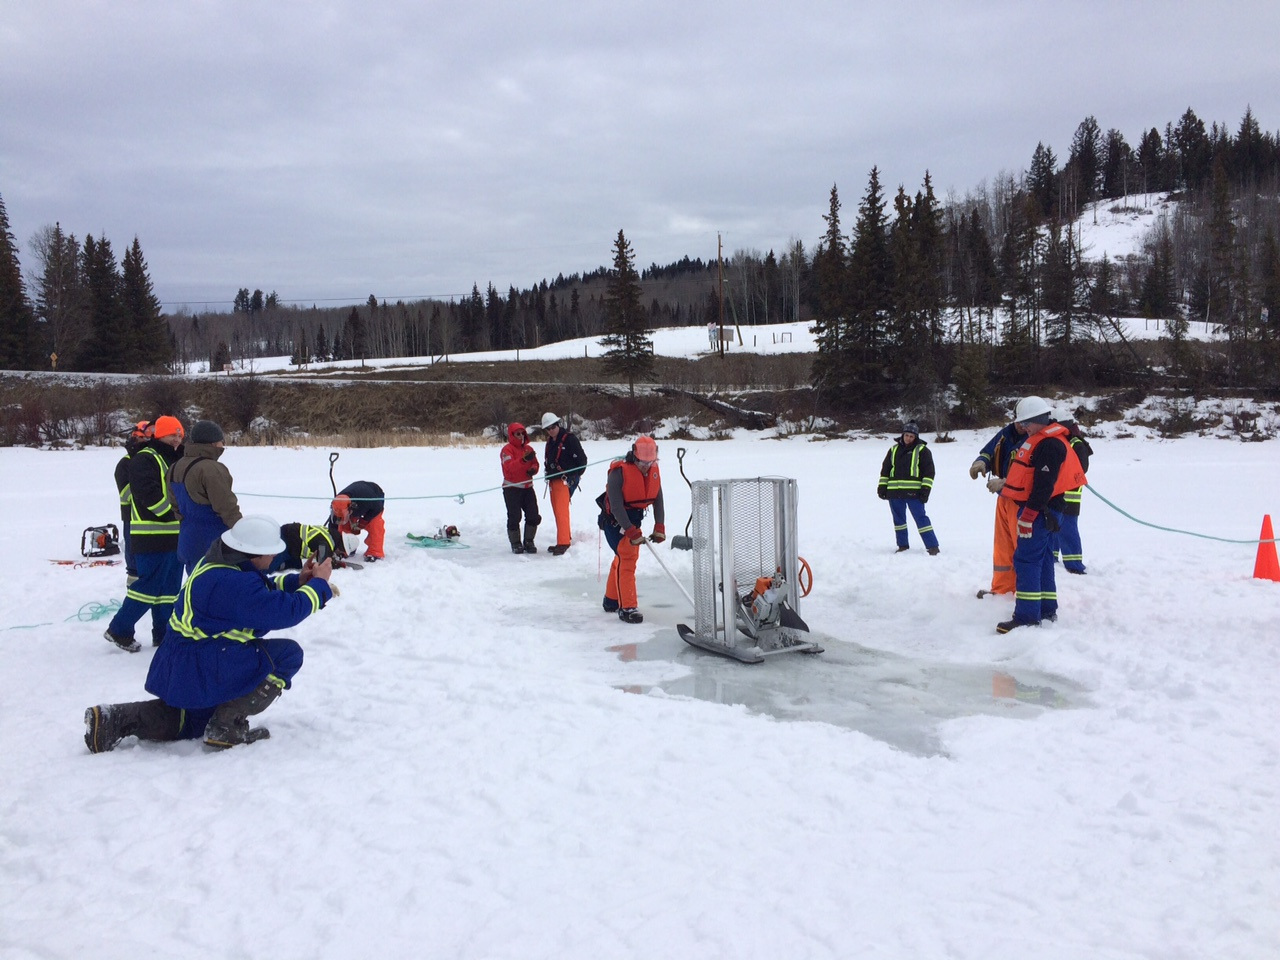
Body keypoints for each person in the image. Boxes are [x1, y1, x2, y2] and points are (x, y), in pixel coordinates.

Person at [84, 514, 333, 752]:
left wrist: (298, 582)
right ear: (255, 554)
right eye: (272, 551)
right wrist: (319, 586)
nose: (276, 556)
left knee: (192, 722)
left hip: (183, 664)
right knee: (288, 655)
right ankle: (227, 725)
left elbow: (258, 593)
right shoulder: (233, 583)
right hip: (206, 663)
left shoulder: (219, 564)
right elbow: (284, 611)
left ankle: (113, 720)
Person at [989, 396, 1088, 633]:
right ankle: (1045, 609)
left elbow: (1043, 485)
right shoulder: (1044, 440)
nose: (1023, 428)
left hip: (1040, 511)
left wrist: (1028, 515)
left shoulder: (1048, 445)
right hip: (1046, 510)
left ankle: (1026, 616)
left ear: (1038, 420)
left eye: (1026, 423)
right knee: (1042, 558)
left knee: (1026, 560)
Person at [104, 415, 185, 652]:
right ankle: (119, 629)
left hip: (173, 536)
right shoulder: (144, 459)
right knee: (148, 587)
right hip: (150, 536)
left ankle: (163, 634)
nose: (177, 440)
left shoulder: (171, 458)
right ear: (160, 436)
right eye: (173, 435)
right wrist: (177, 512)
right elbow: (150, 498)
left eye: (180, 435)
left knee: (169, 591)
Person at [597, 435, 665, 624]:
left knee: (622, 557)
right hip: (614, 523)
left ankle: (611, 600)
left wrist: (660, 525)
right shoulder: (618, 473)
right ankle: (627, 607)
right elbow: (617, 506)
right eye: (642, 463)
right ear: (634, 456)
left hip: (633, 522)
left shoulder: (652, 471)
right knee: (627, 558)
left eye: (650, 463)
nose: (646, 467)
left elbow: (658, 498)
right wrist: (629, 530)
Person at [170, 419, 242, 574]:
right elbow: (227, 507)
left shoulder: (175, 467)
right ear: (213, 443)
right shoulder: (211, 468)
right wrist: (243, 532)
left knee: (196, 588)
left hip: (187, 540)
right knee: (218, 590)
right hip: (213, 543)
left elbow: (175, 506)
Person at [969, 417, 1030, 595]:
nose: (1021, 426)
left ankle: (1026, 591)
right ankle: (1003, 589)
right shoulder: (1006, 433)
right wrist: (980, 462)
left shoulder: (1035, 438)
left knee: (1022, 547)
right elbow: (989, 451)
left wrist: (1007, 482)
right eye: (1018, 422)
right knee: (1003, 547)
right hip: (1004, 498)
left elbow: (1030, 472)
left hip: (1022, 500)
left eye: (1025, 422)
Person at [877, 421, 939, 555]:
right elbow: (885, 470)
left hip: (914, 493)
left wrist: (925, 490)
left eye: (911, 436)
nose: (908, 438)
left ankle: (932, 546)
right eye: (906, 435)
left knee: (921, 519)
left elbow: (929, 473)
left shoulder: (923, 450)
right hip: (894, 492)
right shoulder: (893, 450)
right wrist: (882, 486)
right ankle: (902, 545)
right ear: (902, 435)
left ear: (916, 437)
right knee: (899, 521)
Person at [539, 411, 588, 555]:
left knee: (561, 512)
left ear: (558, 425)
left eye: (552, 427)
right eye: (547, 429)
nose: (551, 430)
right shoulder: (550, 442)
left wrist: (574, 476)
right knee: (557, 511)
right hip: (553, 481)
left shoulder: (570, 439)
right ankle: (564, 537)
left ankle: (564, 542)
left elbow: (582, 461)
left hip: (565, 480)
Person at [113, 420, 152, 586]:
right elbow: (127, 494)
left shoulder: (153, 461)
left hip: (152, 518)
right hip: (132, 518)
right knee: (134, 557)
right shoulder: (125, 464)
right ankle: (134, 590)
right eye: (138, 437)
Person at [1052, 420, 1093, 575]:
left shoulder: (1077, 444)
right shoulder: (1063, 442)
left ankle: (1074, 564)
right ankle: (1052, 558)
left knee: (1067, 529)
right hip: (1057, 493)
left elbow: (1081, 468)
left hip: (1070, 496)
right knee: (1053, 526)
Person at [500, 422, 540, 554]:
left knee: (533, 515)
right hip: (512, 489)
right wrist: (522, 461)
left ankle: (529, 541)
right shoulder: (507, 450)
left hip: (528, 488)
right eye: (518, 434)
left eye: (523, 433)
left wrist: (533, 470)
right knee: (514, 516)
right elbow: (509, 468)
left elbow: (535, 463)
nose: (521, 436)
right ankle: (515, 543)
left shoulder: (528, 449)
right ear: (511, 435)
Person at [327, 480, 386, 561]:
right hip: (353, 505)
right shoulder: (338, 503)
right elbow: (333, 527)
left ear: (351, 508)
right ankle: (344, 548)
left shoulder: (367, 501)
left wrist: (363, 522)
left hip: (374, 498)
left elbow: (378, 508)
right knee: (343, 527)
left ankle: (375, 552)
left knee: (375, 526)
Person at [269, 522, 337, 572]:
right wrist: (335, 564)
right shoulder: (327, 542)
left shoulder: (328, 533)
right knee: (268, 566)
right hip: (289, 539)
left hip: (291, 538)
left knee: (297, 564)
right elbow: (322, 562)